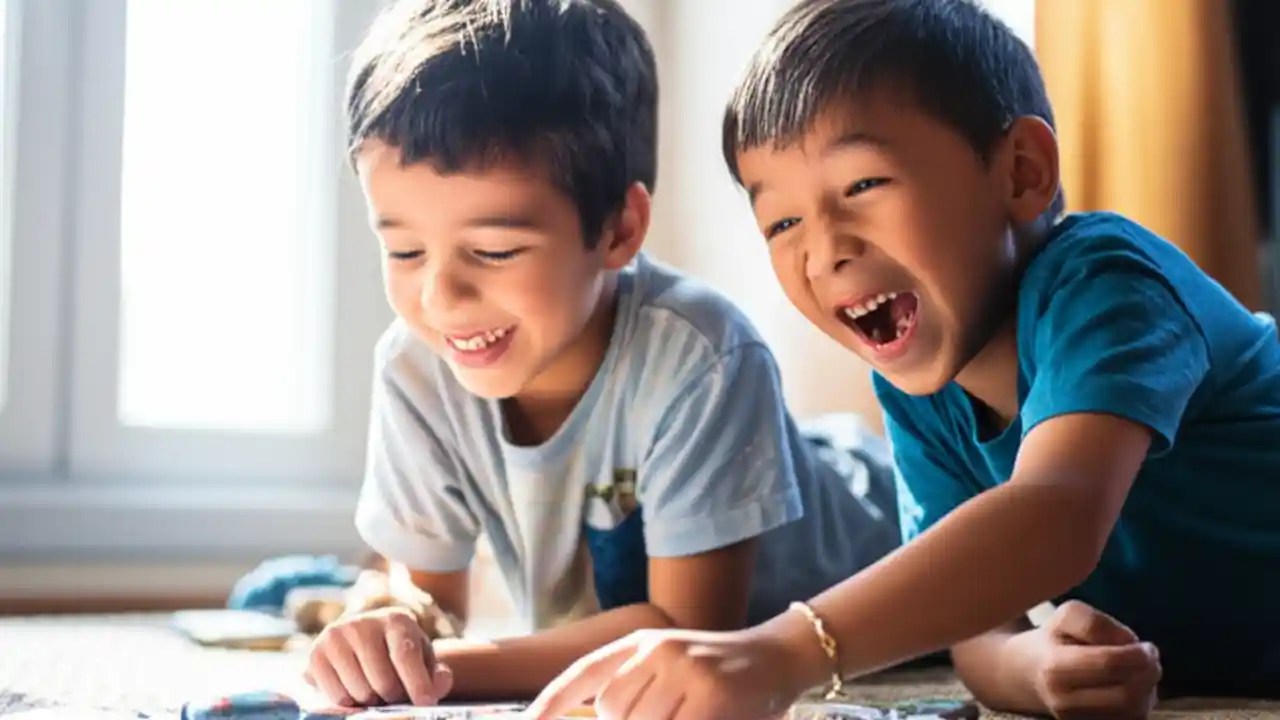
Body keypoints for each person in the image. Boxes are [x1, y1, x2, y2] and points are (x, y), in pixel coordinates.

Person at [527, 0, 1280, 718]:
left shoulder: (1108, 284)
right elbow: (978, 632)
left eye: (863, 185)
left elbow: (1058, 514)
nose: (823, 249)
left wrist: (780, 654)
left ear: (1021, 170)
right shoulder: (922, 385)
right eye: (782, 221)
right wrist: (1038, 667)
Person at [303, 0, 901, 707]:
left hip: (881, 538)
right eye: (403, 250)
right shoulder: (415, 366)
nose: (441, 296)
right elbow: (432, 602)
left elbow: (688, 628)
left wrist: (438, 669)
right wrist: (394, 627)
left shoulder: (703, 354)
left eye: (494, 251)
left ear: (620, 229)